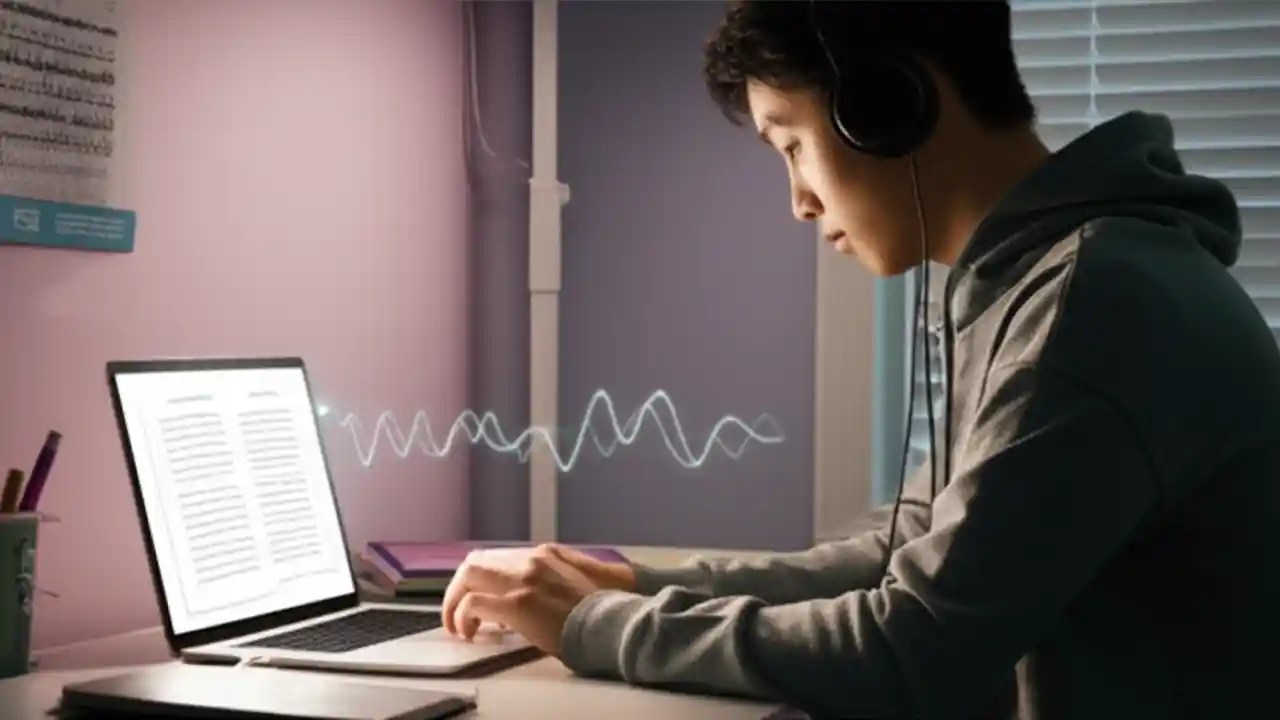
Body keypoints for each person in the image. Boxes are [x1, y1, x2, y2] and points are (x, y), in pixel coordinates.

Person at [441, 1, 1280, 717]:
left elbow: (915, 646)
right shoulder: (1055, 281)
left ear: (889, 105)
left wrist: (596, 625)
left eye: (793, 144)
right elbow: (895, 557)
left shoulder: (1096, 304)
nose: (799, 201)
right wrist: (626, 580)